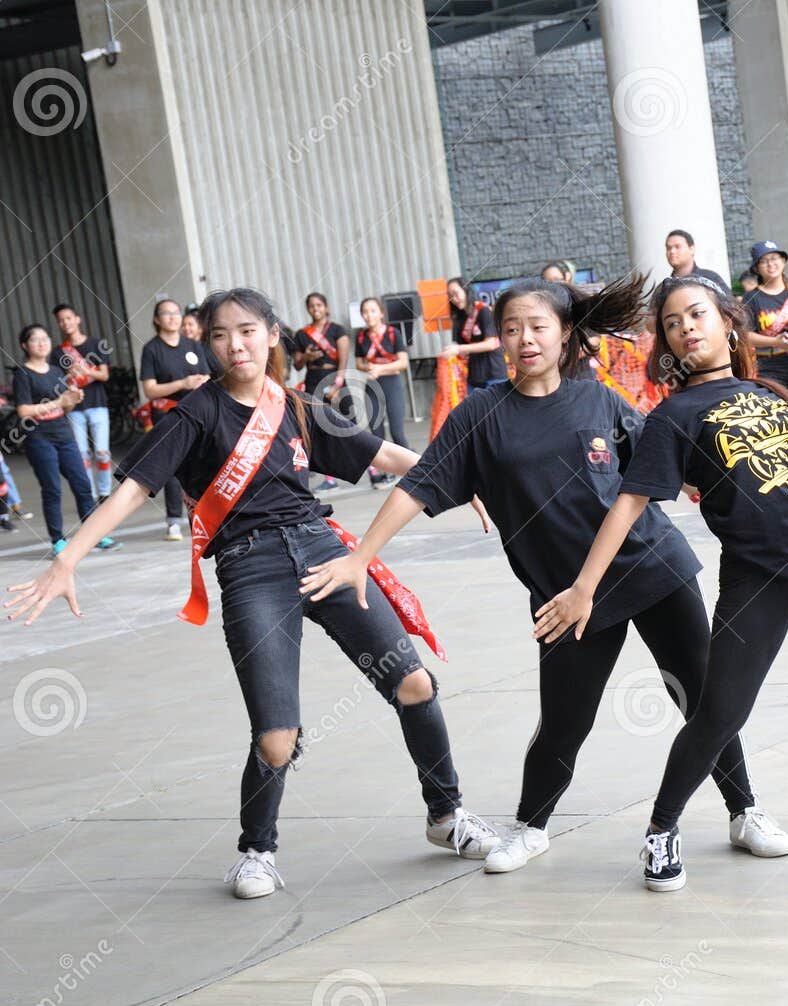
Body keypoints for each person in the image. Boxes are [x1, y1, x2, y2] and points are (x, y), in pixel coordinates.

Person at [6, 288, 500, 899]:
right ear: (207, 343)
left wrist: (448, 479)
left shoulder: (296, 406)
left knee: (413, 683)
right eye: (219, 334)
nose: (234, 345)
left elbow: (379, 452)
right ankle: (257, 850)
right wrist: (67, 558)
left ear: (270, 335)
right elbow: (133, 489)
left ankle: (446, 815)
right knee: (276, 735)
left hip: (324, 553)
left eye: (246, 331)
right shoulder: (196, 414)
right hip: (250, 567)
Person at [301, 275, 788, 874]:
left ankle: (745, 811)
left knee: (702, 698)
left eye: (538, 327)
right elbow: (418, 485)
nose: (525, 339)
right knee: (564, 722)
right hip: (564, 596)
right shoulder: (480, 415)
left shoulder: (601, 401)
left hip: (653, 568)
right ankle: (531, 827)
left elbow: (672, 465)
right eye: (512, 329)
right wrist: (362, 555)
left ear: (565, 334)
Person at [534, 275, 788, 893]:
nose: (686, 328)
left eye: (696, 314)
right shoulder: (673, 417)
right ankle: (662, 829)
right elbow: (627, 506)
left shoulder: (772, 393)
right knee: (718, 715)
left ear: (728, 324)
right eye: (672, 323)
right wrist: (584, 589)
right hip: (756, 581)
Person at [10, 325, 119, 555]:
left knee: (82, 484)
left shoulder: (56, 371)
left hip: (63, 434)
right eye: (35, 340)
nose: (42, 343)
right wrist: (59, 402)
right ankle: (57, 540)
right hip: (39, 437)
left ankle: (93, 536)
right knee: (52, 488)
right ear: (25, 345)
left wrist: (72, 399)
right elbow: (23, 410)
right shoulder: (23, 374)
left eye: (45, 338)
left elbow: (65, 407)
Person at [139, 298, 211, 541]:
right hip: (168, 414)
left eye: (175, 312)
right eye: (166, 313)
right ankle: (173, 520)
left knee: (202, 462)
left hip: (196, 412)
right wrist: (183, 383)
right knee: (171, 467)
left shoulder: (193, 345)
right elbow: (150, 389)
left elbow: (206, 376)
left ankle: (204, 516)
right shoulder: (152, 349)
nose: (172, 317)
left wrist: (200, 383)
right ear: (157, 319)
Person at [742, 240, 788, 407]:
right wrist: (775, 342)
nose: (771, 264)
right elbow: (745, 335)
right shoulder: (751, 298)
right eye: (764, 261)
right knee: (778, 415)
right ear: (757, 268)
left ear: (783, 261)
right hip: (770, 367)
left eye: (775, 258)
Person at [52, 304, 115, 500]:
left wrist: (86, 370)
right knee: (82, 455)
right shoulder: (58, 352)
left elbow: (104, 375)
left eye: (68, 318)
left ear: (77, 319)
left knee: (102, 452)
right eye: (61, 320)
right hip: (74, 407)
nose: (65, 323)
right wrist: (70, 377)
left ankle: (104, 493)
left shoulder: (96, 344)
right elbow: (56, 381)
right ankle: (89, 494)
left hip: (98, 404)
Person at [290, 292, 350, 493]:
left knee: (348, 425)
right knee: (320, 428)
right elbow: (297, 365)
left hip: (335, 377)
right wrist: (306, 356)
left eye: (319, 305)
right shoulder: (301, 334)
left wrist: (337, 384)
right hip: (314, 380)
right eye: (311, 306)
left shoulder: (337, 330)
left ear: (326, 307)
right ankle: (330, 480)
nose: (315, 309)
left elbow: (343, 360)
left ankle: (374, 470)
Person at [354, 296, 412, 453]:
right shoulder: (361, 336)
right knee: (376, 434)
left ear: (381, 313)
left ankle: (413, 465)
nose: (369, 315)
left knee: (397, 433)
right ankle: (386, 467)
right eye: (365, 312)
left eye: (373, 311)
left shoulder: (393, 333)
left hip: (392, 384)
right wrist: (368, 367)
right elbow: (358, 363)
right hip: (372, 386)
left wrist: (380, 369)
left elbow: (403, 362)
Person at [443, 278, 506, 393]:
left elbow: (491, 344)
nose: (454, 299)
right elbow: (462, 350)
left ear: (466, 290)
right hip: (474, 377)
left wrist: (459, 348)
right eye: (450, 296)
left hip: (493, 374)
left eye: (456, 293)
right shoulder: (458, 318)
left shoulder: (483, 311)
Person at [663, 229, 729, 293]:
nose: (672, 251)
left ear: (692, 249)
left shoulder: (710, 279)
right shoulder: (664, 287)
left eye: (677, 247)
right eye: (668, 248)